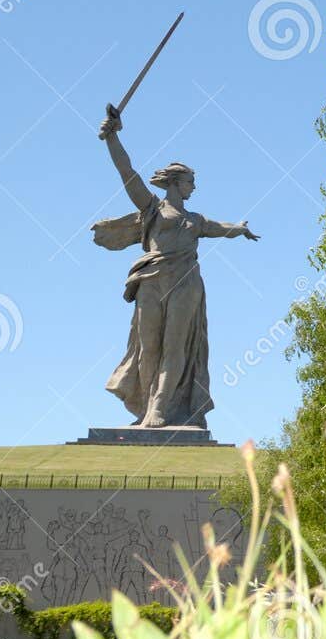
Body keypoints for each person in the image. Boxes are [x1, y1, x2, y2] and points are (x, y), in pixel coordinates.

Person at [92, 105, 258, 429]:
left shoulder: (196, 221)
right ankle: (145, 407)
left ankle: (159, 408)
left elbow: (222, 227)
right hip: (151, 279)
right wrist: (112, 138)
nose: (194, 187)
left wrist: (240, 228)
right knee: (148, 347)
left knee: (175, 346)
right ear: (176, 182)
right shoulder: (152, 208)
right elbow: (128, 174)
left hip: (185, 282)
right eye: (191, 181)